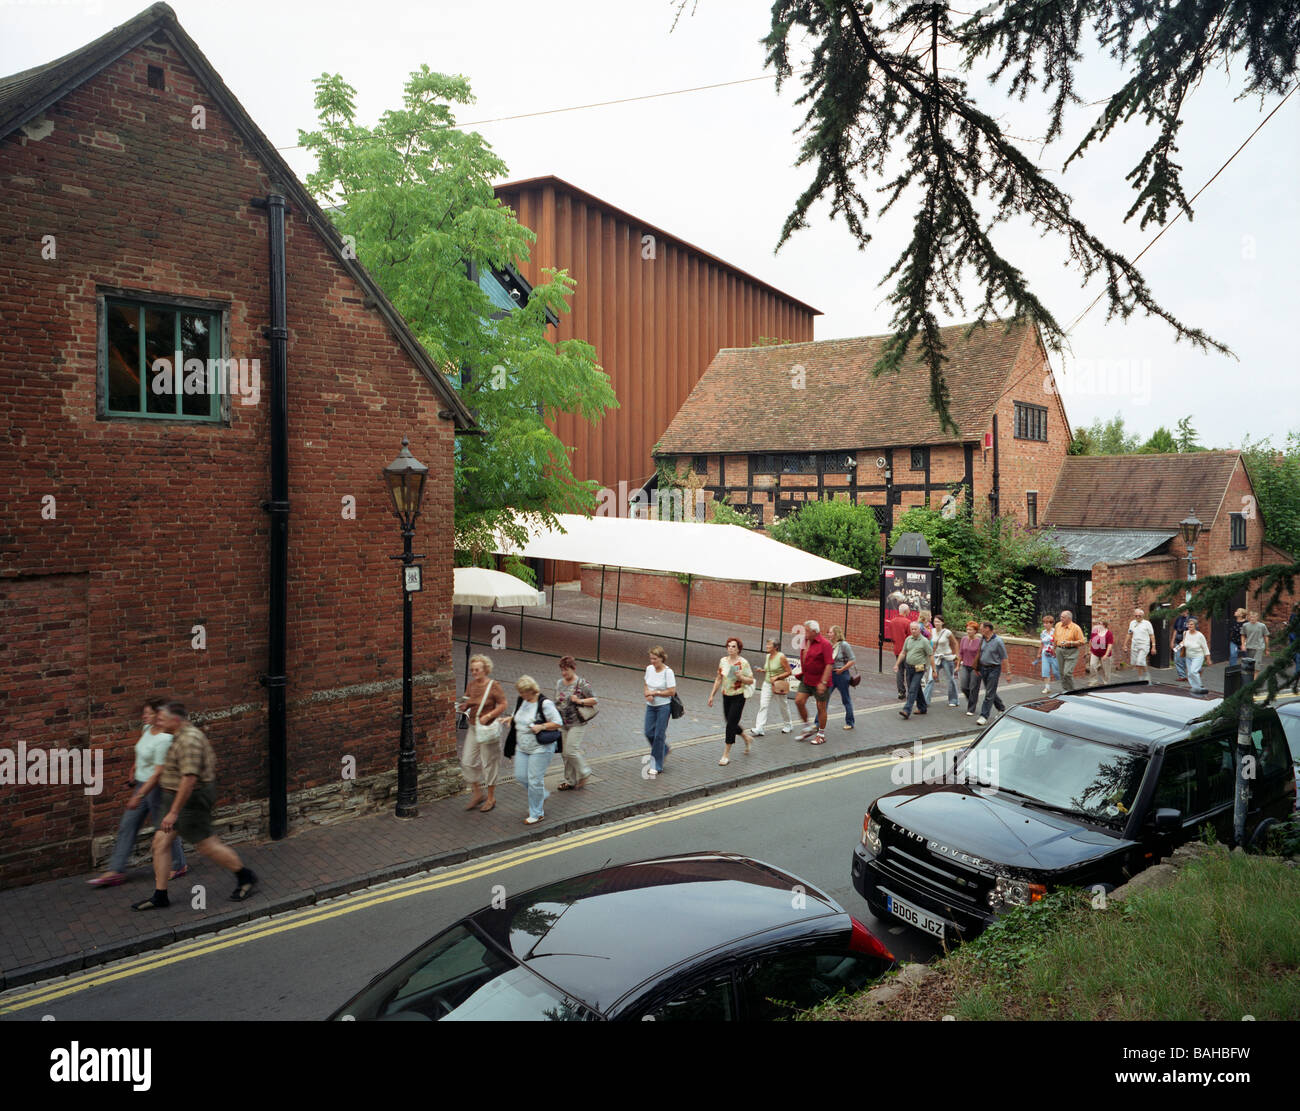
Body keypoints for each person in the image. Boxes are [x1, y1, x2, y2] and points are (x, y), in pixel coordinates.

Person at [130, 702, 257, 910]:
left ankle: (246, 876)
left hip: (192, 800)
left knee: (206, 845)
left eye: (162, 718)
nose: (157, 721)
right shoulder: (175, 735)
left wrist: (173, 812)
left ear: (176, 720)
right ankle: (160, 896)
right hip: (175, 798)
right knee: (160, 844)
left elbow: (189, 780)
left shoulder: (189, 740)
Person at [88, 698, 186, 887]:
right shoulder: (146, 729)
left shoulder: (164, 740)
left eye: (148, 713)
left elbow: (158, 773)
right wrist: (133, 769)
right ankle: (116, 870)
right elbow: (141, 751)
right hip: (142, 784)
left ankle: (178, 864)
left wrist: (139, 796)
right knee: (128, 824)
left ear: (159, 715)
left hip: (157, 788)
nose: (144, 716)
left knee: (164, 828)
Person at [509, 676, 562, 825]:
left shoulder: (545, 704)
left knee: (534, 780)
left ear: (531, 690)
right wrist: (509, 720)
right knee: (520, 776)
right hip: (523, 746)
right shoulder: (522, 700)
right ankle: (542, 794)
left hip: (541, 747)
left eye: (524, 692)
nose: (521, 695)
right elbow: (516, 716)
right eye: (520, 692)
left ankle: (537, 813)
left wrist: (542, 726)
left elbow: (558, 723)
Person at [458, 654, 507, 813]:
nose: (474, 672)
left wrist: (490, 715)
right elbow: (467, 700)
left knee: (489, 763)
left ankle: (491, 797)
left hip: (488, 729)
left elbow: (503, 704)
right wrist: (464, 706)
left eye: (477, 669)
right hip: (473, 727)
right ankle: (478, 793)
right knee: (467, 761)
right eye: (472, 670)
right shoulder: (471, 685)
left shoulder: (494, 685)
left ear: (485, 669)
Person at [708, 637, 756, 764]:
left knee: (730, 725)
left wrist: (741, 677)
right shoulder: (723, 661)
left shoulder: (743, 663)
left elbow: (751, 680)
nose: (730, 648)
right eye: (728, 646)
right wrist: (712, 695)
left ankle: (726, 755)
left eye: (733, 646)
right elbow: (718, 678)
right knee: (729, 721)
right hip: (726, 695)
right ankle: (746, 738)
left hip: (738, 696)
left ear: (738, 649)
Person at [555, 656, 596, 791]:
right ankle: (570, 780)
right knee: (565, 754)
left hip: (577, 723)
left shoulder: (582, 684)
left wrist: (579, 701)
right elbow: (556, 701)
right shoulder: (559, 683)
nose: (563, 673)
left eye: (566, 670)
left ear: (573, 668)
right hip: (563, 723)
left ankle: (584, 772)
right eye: (562, 670)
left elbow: (594, 700)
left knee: (570, 751)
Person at [795, 618, 833, 745]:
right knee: (799, 701)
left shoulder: (825, 644)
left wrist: (823, 682)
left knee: (820, 707)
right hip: (806, 678)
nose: (804, 632)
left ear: (814, 631)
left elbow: (829, 664)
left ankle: (821, 735)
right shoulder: (804, 641)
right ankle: (808, 727)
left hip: (820, 681)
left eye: (806, 630)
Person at [643, 646, 676, 778]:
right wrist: (647, 693)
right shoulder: (649, 669)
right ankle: (664, 749)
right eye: (651, 658)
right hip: (650, 706)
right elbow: (646, 684)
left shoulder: (668, 672)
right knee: (648, 732)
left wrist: (655, 693)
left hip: (664, 707)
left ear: (662, 658)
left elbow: (672, 691)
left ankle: (656, 765)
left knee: (658, 736)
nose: (652, 661)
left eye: (655, 659)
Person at [753, 637, 793, 736]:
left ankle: (788, 725)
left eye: (769, 644)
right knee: (763, 705)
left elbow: (789, 672)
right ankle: (759, 728)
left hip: (778, 685)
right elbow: (769, 670)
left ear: (775, 647)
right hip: (767, 684)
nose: (766, 646)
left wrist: (777, 677)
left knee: (783, 706)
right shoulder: (767, 656)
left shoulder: (781, 657)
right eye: (767, 644)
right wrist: (762, 670)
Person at [895, 621, 933, 720]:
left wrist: (933, 670)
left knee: (912, 689)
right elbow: (903, 653)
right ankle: (922, 707)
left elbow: (930, 654)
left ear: (919, 630)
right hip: (909, 667)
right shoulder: (908, 639)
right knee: (917, 688)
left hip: (919, 668)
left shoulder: (924, 641)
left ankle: (907, 710)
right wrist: (897, 664)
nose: (913, 631)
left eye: (915, 629)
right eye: (912, 629)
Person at [977, 622, 1009, 725]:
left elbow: (1004, 657)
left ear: (987, 629)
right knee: (990, 691)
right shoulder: (982, 639)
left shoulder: (998, 641)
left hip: (994, 669)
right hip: (983, 668)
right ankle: (1001, 708)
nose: (980, 630)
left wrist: (1008, 672)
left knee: (989, 693)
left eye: (981, 628)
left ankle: (983, 716)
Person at [924, 615, 959, 708]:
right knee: (931, 679)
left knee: (950, 679)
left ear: (942, 623)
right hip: (936, 657)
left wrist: (956, 655)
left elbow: (955, 643)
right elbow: (930, 643)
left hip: (947, 657)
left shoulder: (947, 632)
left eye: (938, 622)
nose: (936, 623)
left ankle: (953, 700)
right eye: (935, 622)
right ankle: (925, 700)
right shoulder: (932, 631)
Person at [829, 625, 857, 730]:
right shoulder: (829, 645)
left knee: (846, 699)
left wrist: (842, 669)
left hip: (842, 675)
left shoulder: (844, 645)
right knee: (824, 699)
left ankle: (850, 722)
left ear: (836, 633)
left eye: (831, 632)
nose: (829, 634)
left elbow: (852, 660)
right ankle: (817, 723)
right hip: (831, 675)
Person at [1054, 610, 1086, 692]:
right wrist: (1053, 648)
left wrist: (1070, 643)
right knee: (1061, 673)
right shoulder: (1058, 625)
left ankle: (1072, 691)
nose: (1061, 618)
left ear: (1069, 618)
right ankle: (1065, 690)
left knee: (1067, 673)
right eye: (1061, 617)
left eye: (1063, 617)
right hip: (1059, 650)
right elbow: (1055, 638)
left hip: (1071, 651)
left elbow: (1082, 641)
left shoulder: (1076, 628)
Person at [958, 621, 983, 716]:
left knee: (973, 687)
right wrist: (958, 665)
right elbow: (961, 652)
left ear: (975, 631)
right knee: (964, 687)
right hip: (965, 665)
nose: (968, 631)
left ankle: (971, 708)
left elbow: (981, 654)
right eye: (967, 629)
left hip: (975, 667)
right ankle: (972, 700)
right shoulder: (964, 639)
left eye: (970, 630)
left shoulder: (979, 641)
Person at [1123, 608, 1155, 683]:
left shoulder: (1147, 623)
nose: (1137, 617)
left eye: (1139, 616)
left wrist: (1153, 646)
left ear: (1142, 616)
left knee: (1139, 661)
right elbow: (1129, 634)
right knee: (1137, 663)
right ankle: (1142, 677)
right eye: (1136, 616)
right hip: (1134, 645)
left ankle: (1144, 677)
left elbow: (1152, 635)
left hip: (1144, 645)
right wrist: (1125, 645)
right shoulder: (1132, 623)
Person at [888, 603, 913, 699]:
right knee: (909, 672)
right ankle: (911, 692)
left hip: (897, 649)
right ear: (905, 611)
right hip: (907, 650)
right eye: (909, 610)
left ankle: (901, 692)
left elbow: (892, 636)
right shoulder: (907, 622)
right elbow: (910, 637)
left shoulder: (892, 622)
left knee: (900, 671)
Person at [1180, 617, 1211, 694]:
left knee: (1193, 671)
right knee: (1190, 673)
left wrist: (1208, 659)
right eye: (1188, 624)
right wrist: (1176, 649)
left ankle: (1200, 686)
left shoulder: (1200, 635)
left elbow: (1205, 647)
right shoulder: (1185, 633)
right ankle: (1194, 687)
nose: (1189, 626)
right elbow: (1183, 642)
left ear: (1195, 626)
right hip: (1188, 656)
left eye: (1191, 624)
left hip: (1198, 656)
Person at [1034, 614, 1059, 694]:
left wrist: (1055, 650)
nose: (1045, 625)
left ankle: (1064, 684)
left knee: (1056, 672)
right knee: (1045, 671)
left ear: (1051, 623)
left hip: (1054, 654)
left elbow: (1058, 642)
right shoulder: (1043, 632)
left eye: (1047, 623)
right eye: (1044, 623)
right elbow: (1042, 643)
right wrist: (1039, 653)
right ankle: (1047, 687)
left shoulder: (1056, 632)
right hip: (1045, 653)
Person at [1088, 619, 1115, 686]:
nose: (1098, 625)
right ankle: (1094, 681)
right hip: (1095, 652)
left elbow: (1110, 644)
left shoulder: (1109, 633)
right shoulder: (1094, 631)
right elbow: (1091, 641)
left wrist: (1106, 654)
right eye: (1098, 623)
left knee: (1105, 670)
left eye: (1100, 623)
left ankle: (1105, 683)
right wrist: (1090, 650)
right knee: (1092, 666)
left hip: (1105, 653)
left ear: (1104, 625)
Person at [1170, 610, 1190, 681]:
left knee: (1187, 659)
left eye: (1184, 610)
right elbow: (1175, 630)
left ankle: (1191, 676)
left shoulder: (1190, 619)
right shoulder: (1178, 619)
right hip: (1178, 643)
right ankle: (1182, 676)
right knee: (1177, 659)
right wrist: (1172, 641)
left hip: (1187, 643)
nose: (1182, 612)